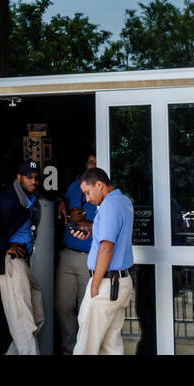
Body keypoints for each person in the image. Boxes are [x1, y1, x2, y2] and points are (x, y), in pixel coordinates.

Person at [0, 159, 45, 354]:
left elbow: (50, 195)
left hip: (21, 263)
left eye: (36, 178)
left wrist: (61, 203)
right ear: (18, 178)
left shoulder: (29, 197)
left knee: (37, 316)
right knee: (23, 322)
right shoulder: (8, 199)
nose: (34, 181)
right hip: (9, 264)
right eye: (29, 177)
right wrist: (6, 246)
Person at [73, 167, 134, 356]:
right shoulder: (124, 201)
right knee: (110, 346)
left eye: (87, 192)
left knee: (86, 346)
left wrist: (95, 283)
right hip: (121, 282)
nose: (87, 199)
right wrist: (93, 231)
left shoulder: (110, 206)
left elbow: (106, 247)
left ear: (99, 185)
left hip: (107, 283)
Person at [55, 151, 98, 353]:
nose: (92, 166)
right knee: (62, 306)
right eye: (90, 162)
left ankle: (83, 350)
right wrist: (63, 204)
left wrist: (86, 223)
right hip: (67, 253)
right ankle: (68, 349)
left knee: (85, 310)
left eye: (96, 164)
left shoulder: (103, 192)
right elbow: (61, 197)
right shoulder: (76, 185)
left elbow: (108, 226)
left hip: (88, 257)